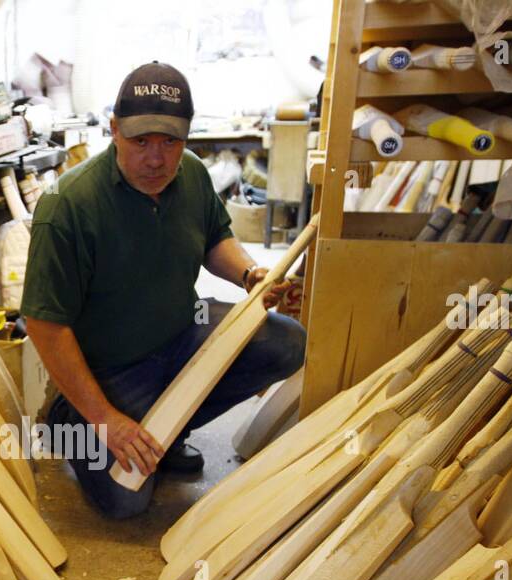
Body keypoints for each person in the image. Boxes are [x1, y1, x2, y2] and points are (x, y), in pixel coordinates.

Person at [21, 61, 307, 519]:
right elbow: (44, 325)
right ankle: (69, 422)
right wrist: (105, 420)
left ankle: (165, 432)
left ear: (187, 137)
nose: (156, 159)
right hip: (110, 373)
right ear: (113, 130)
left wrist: (249, 275)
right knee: (124, 500)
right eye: (140, 142)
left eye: (170, 142)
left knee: (284, 341)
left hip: (181, 334)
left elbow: (215, 237)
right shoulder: (68, 206)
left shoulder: (190, 173)